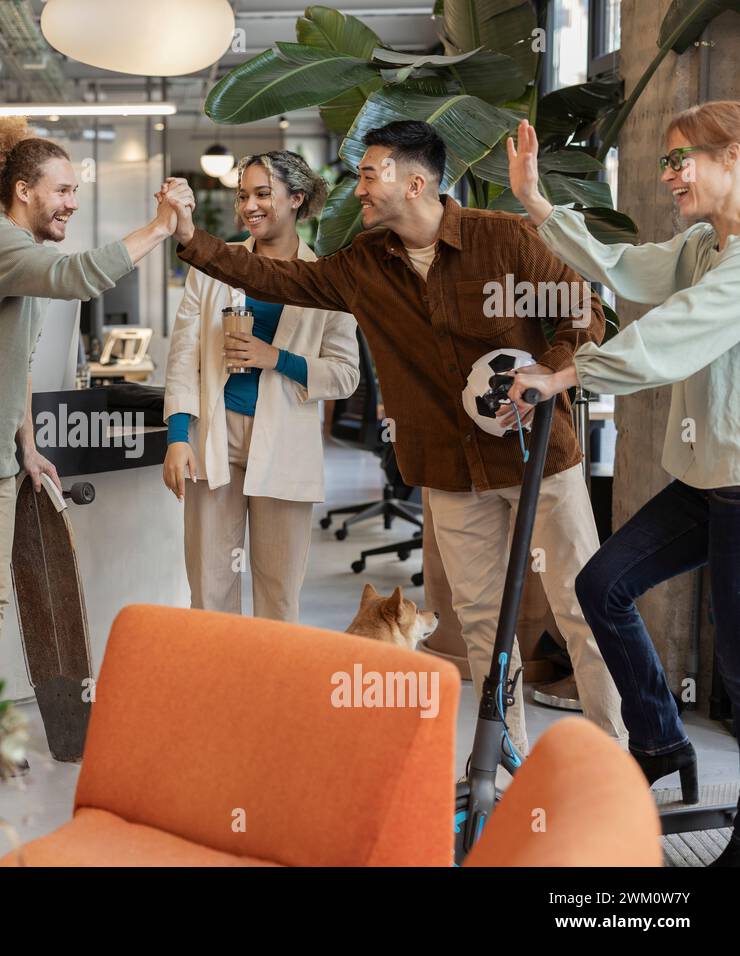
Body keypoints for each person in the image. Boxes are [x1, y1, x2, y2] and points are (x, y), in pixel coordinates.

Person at [161, 120, 627, 757]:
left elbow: (583, 312)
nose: (357, 190)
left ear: (415, 182)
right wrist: (190, 239)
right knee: (483, 622)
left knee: (580, 606)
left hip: (538, 457)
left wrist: (552, 370)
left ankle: (611, 754)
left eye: (368, 173)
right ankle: (505, 759)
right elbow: (275, 279)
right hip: (449, 471)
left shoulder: (507, 240)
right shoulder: (362, 266)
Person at [0, 117, 193, 766]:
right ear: (25, 190)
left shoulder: (18, 260)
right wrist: (161, 228)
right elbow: (80, 277)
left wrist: (26, 445)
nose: (73, 202)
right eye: (62, 190)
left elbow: (20, 364)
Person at [506, 104, 740, 866]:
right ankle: (663, 744)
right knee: (602, 583)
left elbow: (669, 339)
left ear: (733, 156)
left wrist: (570, 372)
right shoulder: (708, 244)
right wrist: (539, 203)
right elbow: (633, 267)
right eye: (665, 162)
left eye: (682, 161)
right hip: (708, 481)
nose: (668, 176)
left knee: (738, 668)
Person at [163, 150, 359, 621]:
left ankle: (273, 690)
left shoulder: (327, 279)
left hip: (284, 440)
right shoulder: (216, 265)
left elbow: (346, 374)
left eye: (262, 194)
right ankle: (218, 690)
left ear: (296, 198)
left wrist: (278, 359)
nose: (249, 205)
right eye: (243, 195)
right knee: (209, 586)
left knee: (278, 591)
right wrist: (177, 437)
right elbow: (184, 354)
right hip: (216, 434)